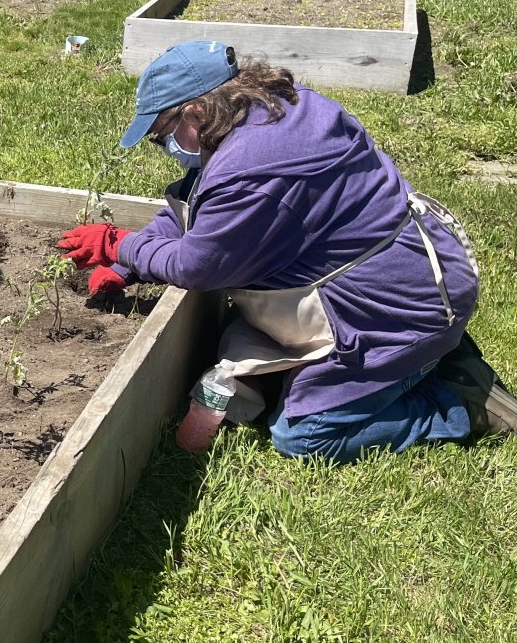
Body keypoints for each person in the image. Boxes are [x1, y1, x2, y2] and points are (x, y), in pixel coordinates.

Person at [57, 39, 516, 462]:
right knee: (259, 363)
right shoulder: (268, 112)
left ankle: (458, 401)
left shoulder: (253, 171)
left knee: (304, 435)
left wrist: (121, 243)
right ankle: (424, 359)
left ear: (195, 112)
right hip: (413, 274)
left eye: (161, 136)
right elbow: (197, 211)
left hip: (395, 310)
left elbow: (197, 265)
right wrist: (126, 264)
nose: (164, 148)